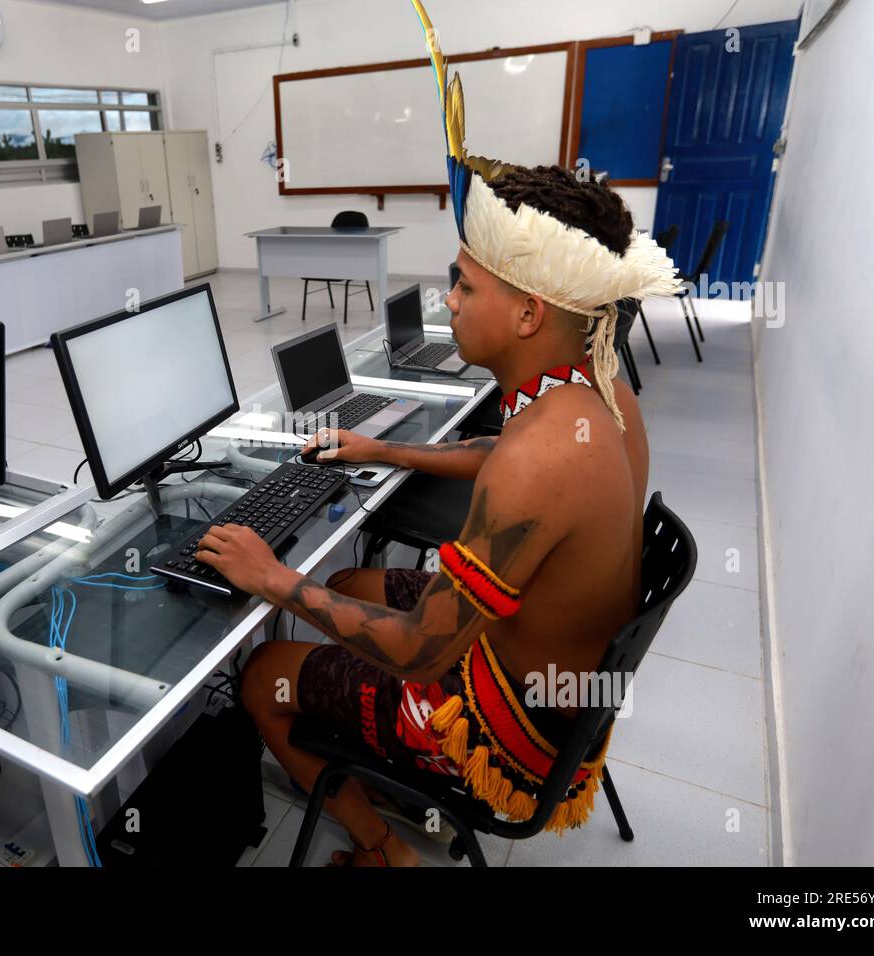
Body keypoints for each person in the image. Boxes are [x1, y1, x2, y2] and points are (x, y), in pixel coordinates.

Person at [193, 3, 681, 866]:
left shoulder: (537, 459)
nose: (446, 299)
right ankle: (369, 763)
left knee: (264, 677)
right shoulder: (600, 393)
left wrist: (271, 579)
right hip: (561, 691)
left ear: (529, 311)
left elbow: (421, 658)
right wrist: (387, 450)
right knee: (350, 576)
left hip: (502, 729)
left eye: (463, 286)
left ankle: (387, 848)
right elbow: (508, 461)